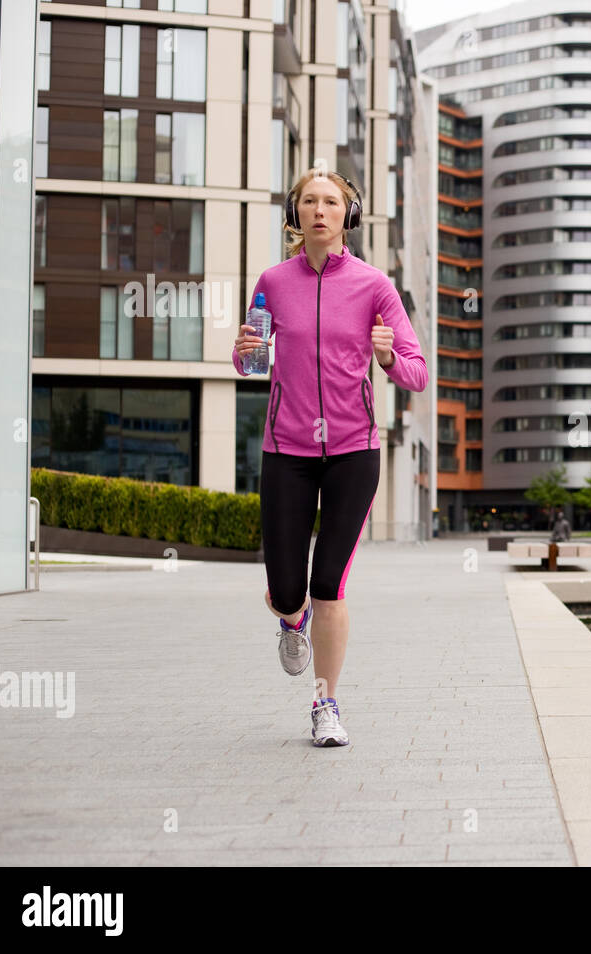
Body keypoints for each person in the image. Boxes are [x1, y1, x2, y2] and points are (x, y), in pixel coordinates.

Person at [232, 167, 428, 747]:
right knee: (286, 590)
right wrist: (244, 353)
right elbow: (251, 365)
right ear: (296, 216)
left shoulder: (375, 287)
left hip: (353, 451)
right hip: (286, 450)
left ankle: (326, 705)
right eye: (310, 202)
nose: (321, 210)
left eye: (331, 202)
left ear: (349, 214)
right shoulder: (272, 281)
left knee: (329, 584)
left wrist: (388, 358)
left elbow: (416, 374)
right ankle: (292, 622)